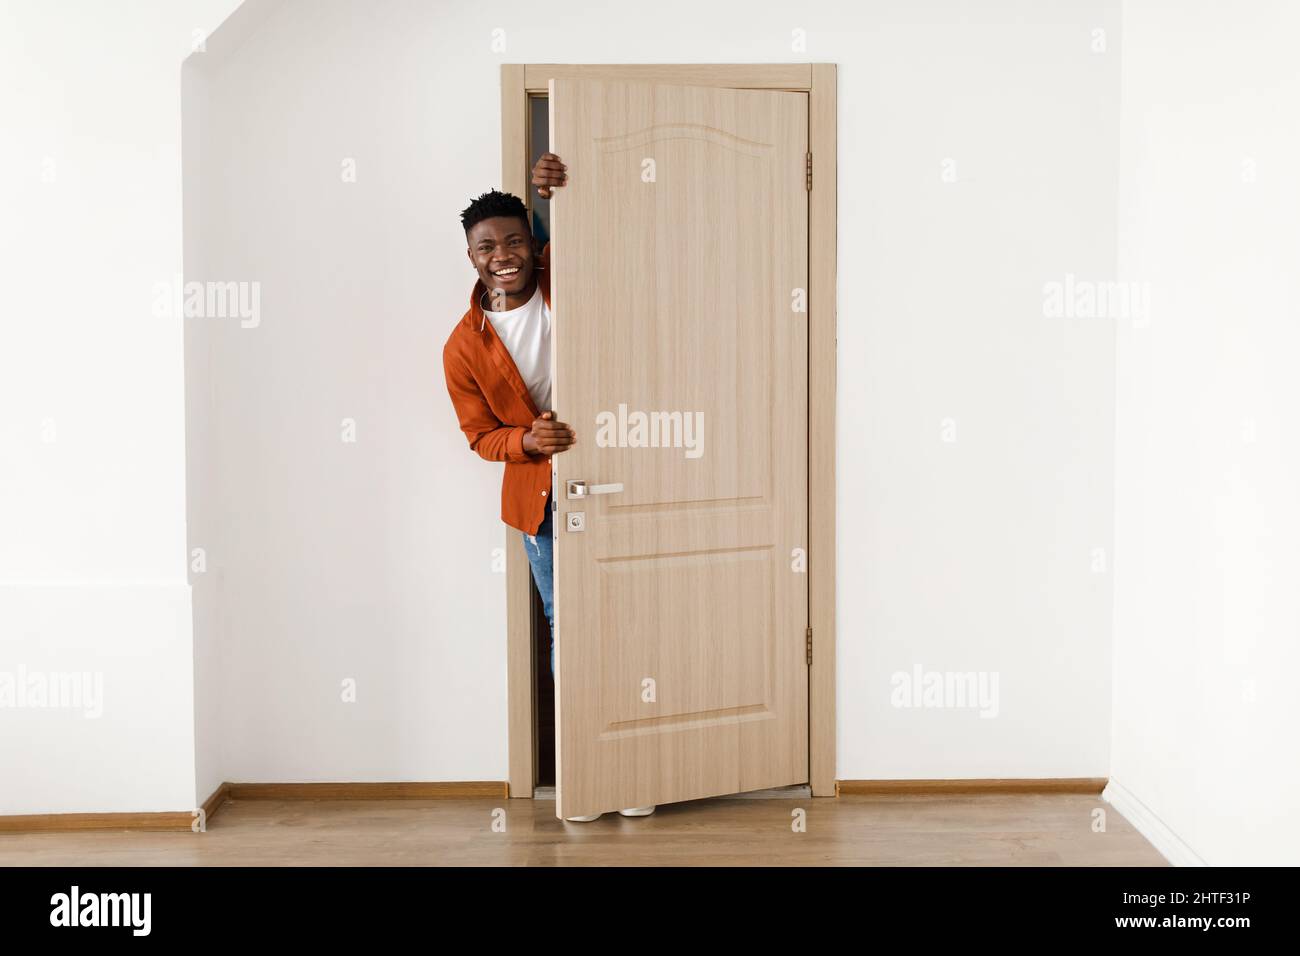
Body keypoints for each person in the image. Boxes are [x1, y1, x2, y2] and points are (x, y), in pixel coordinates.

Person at [442, 156, 655, 821]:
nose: (501, 256)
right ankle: (590, 776)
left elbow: (606, 225)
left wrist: (559, 185)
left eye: (513, 241)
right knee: (572, 624)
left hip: (624, 468)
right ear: (472, 258)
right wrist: (525, 443)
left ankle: (643, 767)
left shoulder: (567, 272)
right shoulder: (462, 346)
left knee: (637, 615)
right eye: (486, 247)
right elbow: (479, 438)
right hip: (543, 495)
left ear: (533, 246)